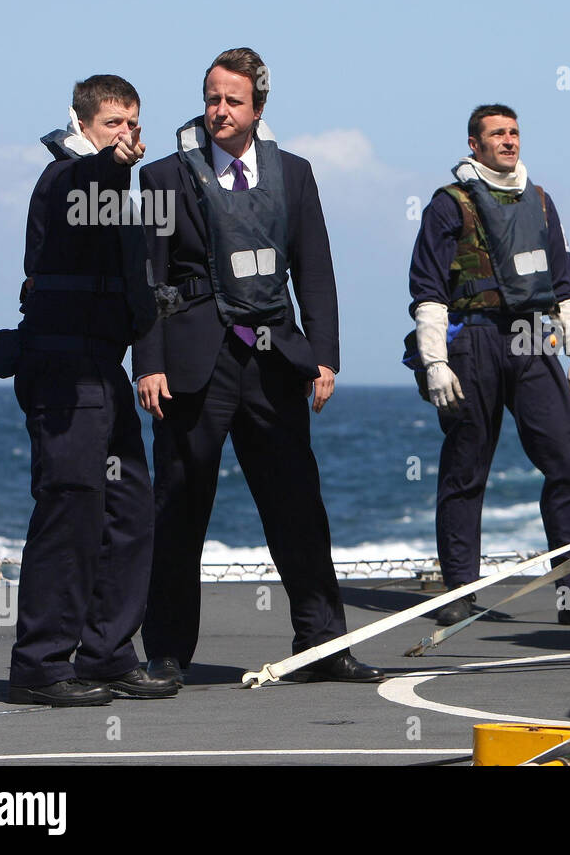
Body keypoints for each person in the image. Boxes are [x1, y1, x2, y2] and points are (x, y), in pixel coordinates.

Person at [133, 48, 383, 684]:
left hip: (275, 361)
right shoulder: (162, 177)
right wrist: (149, 362)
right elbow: (149, 279)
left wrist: (324, 356)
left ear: (258, 109)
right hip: (194, 365)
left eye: (232, 101)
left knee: (298, 505)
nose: (219, 111)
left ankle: (323, 646)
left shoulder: (295, 174)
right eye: (212, 98)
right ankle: (165, 654)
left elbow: (316, 270)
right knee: (181, 506)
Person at [408, 104, 570, 628]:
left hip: (531, 337)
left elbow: (565, 286)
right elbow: (428, 290)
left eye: (514, 132)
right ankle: (457, 591)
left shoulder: (542, 203)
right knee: (466, 467)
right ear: (474, 145)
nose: (508, 141)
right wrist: (435, 361)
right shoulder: (447, 206)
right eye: (497, 134)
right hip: (472, 339)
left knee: (567, 461)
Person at [8, 75, 178, 706]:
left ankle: (107, 653)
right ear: (81, 125)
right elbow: (88, 185)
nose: (126, 135)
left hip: (103, 371)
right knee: (69, 512)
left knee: (129, 512)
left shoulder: (111, 193)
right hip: (63, 376)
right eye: (113, 124)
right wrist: (111, 163)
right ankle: (40, 664)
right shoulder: (66, 179)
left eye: (133, 124)